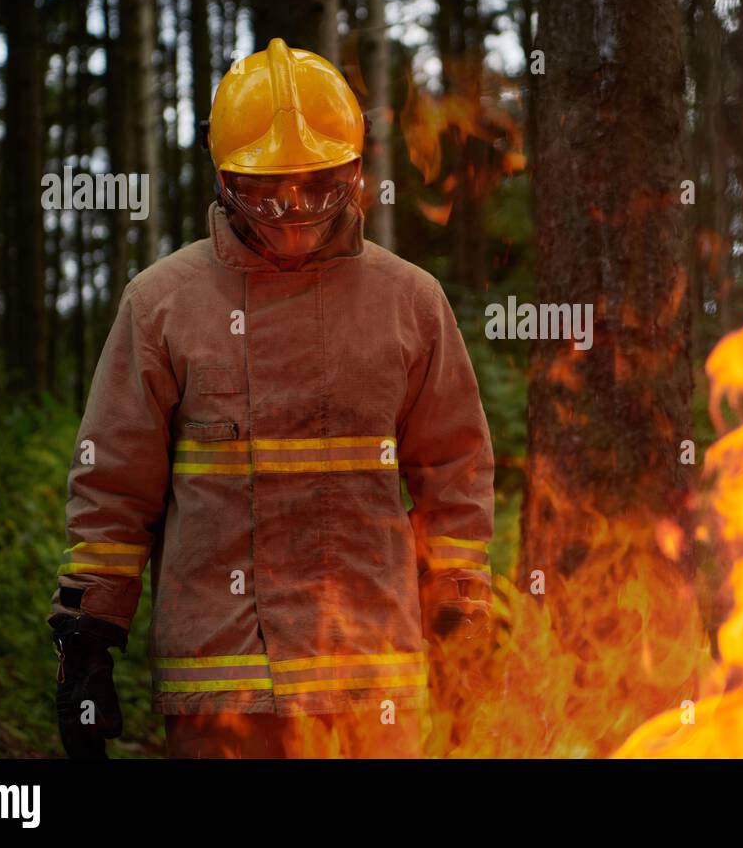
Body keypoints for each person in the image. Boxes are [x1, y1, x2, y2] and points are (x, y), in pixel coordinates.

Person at [46, 38, 494, 759]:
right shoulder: (163, 304)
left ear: (354, 174)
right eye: (268, 194)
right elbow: (116, 485)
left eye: (317, 189)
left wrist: (461, 606)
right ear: (223, 182)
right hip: (223, 688)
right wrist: (88, 640)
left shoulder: (410, 302)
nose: (294, 214)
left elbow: (455, 473)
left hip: (369, 684)